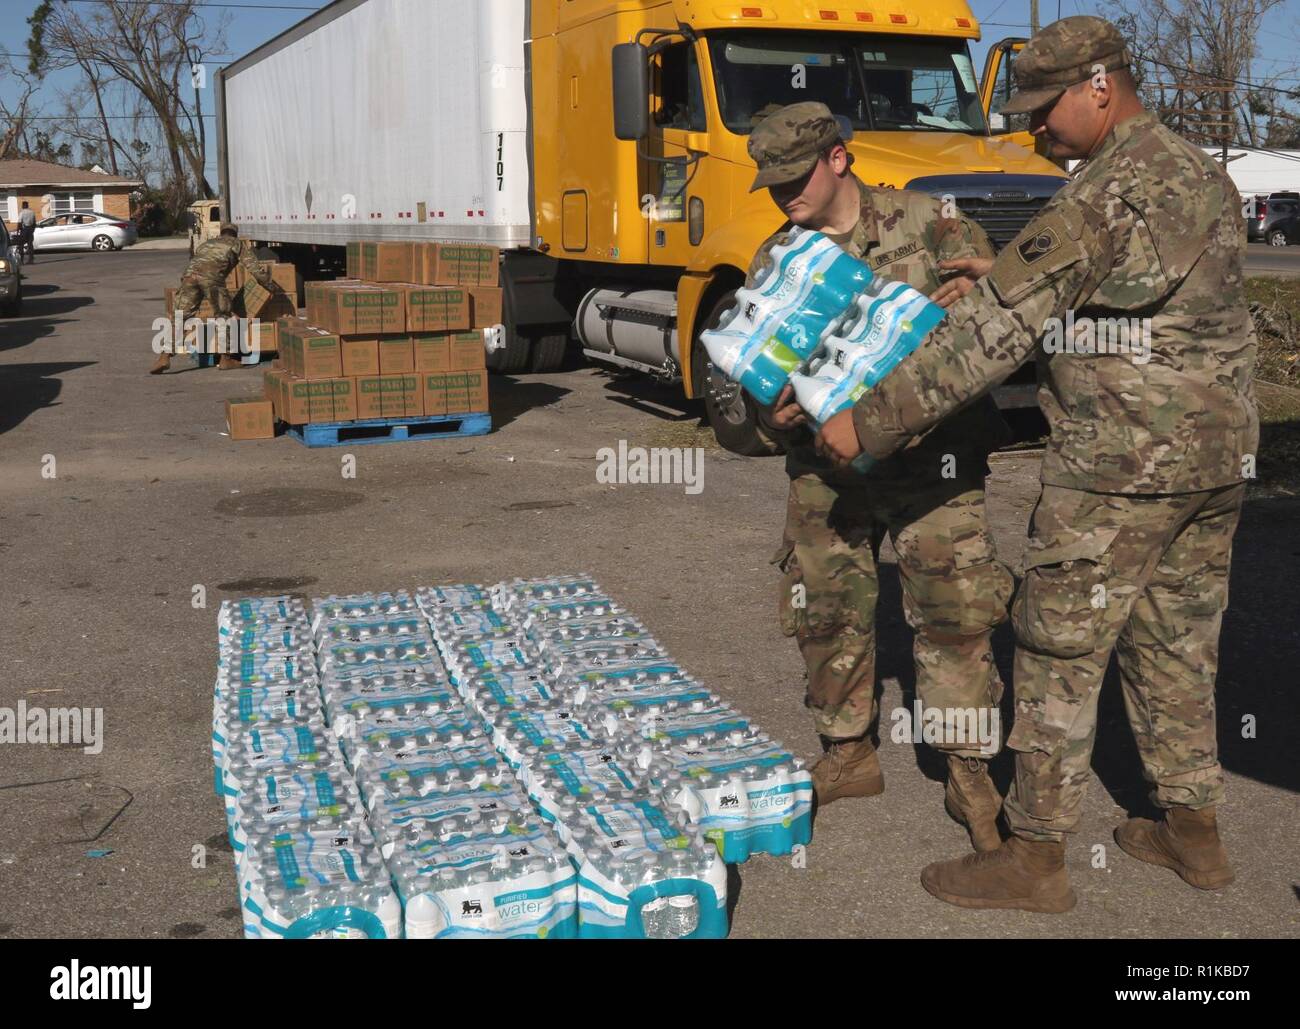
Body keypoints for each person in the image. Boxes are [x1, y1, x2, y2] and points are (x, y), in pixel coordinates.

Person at [815, 17, 1257, 911]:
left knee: (1060, 648)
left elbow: (990, 335)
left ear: (1100, 85)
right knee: (1178, 646)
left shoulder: (1101, 193)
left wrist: (869, 422)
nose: (1032, 129)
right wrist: (1012, 271)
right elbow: (1147, 320)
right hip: (1215, 457)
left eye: (1043, 108)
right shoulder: (1196, 171)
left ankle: (1038, 855)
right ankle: (1195, 831)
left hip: (1117, 467)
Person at [739, 102, 1015, 851]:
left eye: (794, 175)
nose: (782, 193)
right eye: (770, 182)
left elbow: (995, 333)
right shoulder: (778, 258)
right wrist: (773, 414)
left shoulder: (933, 224)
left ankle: (966, 767)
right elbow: (753, 380)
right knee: (825, 604)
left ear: (838, 157)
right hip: (826, 471)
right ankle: (848, 750)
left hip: (933, 460)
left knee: (954, 611)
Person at [150, 223, 278, 374]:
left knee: (180, 316)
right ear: (234, 234)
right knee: (224, 317)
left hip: (189, 277)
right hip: (212, 280)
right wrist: (271, 287)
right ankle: (226, 358)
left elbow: (197, 261)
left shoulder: (206, 244)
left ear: (221, 233)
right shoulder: (237, 244)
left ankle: (164, 356)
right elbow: (255, 270)